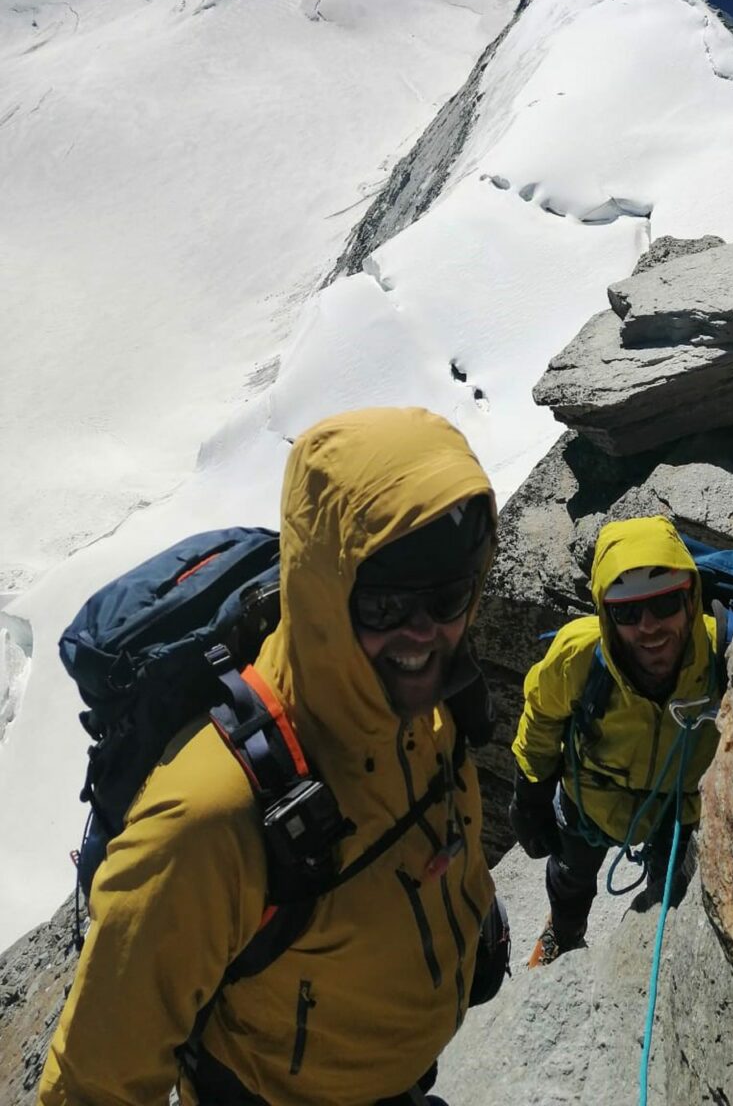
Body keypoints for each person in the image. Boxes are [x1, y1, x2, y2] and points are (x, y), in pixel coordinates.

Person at [40, 406, 500, 1106]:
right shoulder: (207, 816)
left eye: (449, 597)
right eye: (383, 607)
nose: (425, 633)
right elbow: (95, 1084)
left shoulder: (425, 702)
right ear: (323, 592)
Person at [509, 515, 724, 966]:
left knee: (668, 893)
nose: (648, 626)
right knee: (570, 878)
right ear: (606, 615)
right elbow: (542, 713)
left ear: (691, 599)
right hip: (593, 802)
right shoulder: (579, 654)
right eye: (627, 612)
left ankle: (646, 949)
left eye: (664, 604)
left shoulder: (725, 653)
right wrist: (530, 789)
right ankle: (564, 933)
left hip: (678, 810)